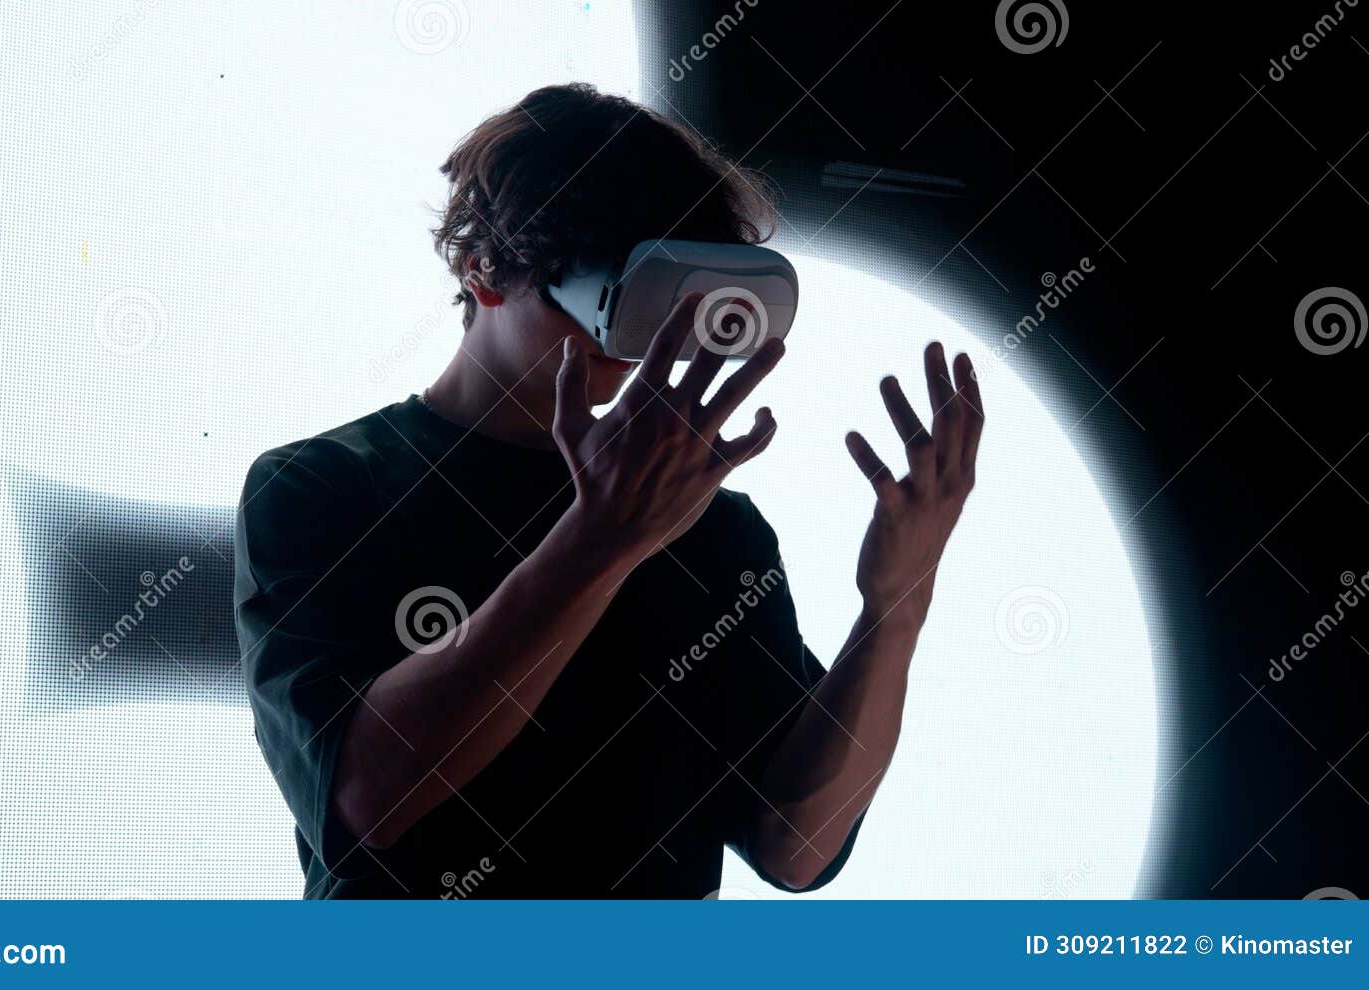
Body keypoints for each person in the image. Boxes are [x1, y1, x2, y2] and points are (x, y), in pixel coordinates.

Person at [233, 83, 983, 898]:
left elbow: (794, 844)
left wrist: (896, 603)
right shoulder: (322, 486)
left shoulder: (708, 526)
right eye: (618, 299)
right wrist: (600, 540)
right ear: (484, 266)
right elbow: (367, 800)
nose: (639, 348)